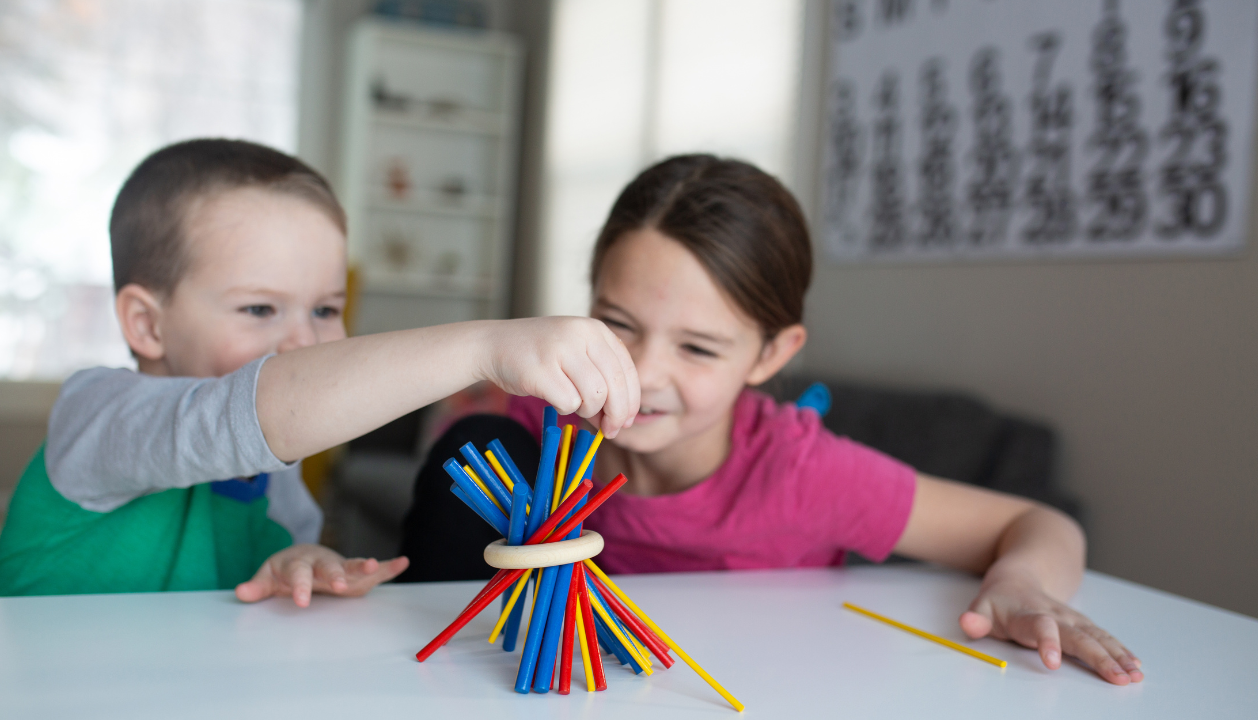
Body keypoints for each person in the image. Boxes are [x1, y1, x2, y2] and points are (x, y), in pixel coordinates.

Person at [400, 154, 1143, 686]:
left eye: (698, 347)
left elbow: (1041, 525)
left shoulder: (801, 471)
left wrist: (1019, 581)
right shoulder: (547, 424)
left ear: (771, 353)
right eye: (616, 323)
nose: (641, 373)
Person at [0, 139, 638, 606]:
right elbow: (246, 414)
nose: (306, 340)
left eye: (326, 309)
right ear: (147, 326)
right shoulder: (94, 414)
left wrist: (299, 564)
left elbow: (261, 570)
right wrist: (483, 347)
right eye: (260, 308)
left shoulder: (277, 475)